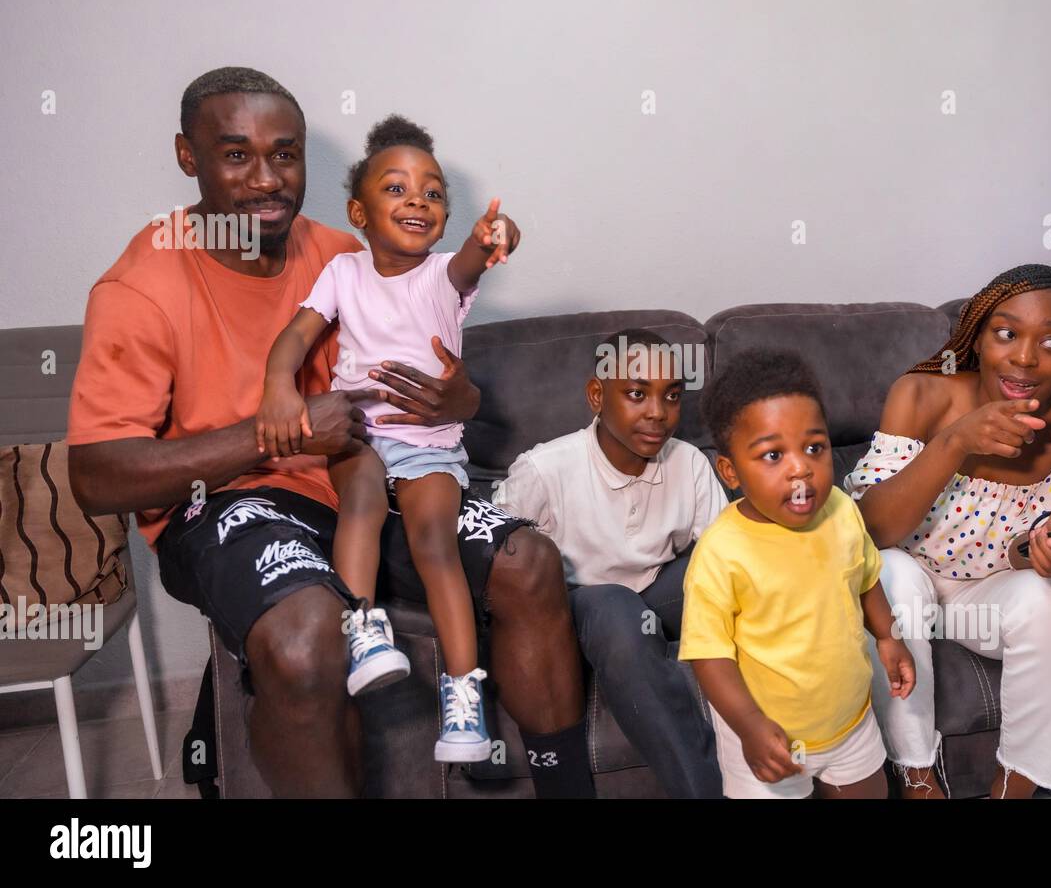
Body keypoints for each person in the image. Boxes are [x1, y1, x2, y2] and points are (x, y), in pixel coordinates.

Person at [66, 67, 594, 797]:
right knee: (304, 634)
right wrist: (273, 433)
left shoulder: (339, 253)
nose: (266, 179)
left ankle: (568, 788)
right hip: (226, 502)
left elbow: (437, 322)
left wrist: (460, 400)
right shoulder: (141, 287)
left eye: (285, 154)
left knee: (526, 562)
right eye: (235, 154)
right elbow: (96, 478)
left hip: (364, 473)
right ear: (188, 157)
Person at [257, 114, 514, 761]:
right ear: (359, 210)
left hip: (429, 443)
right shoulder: (343, 274)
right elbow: (295, 335)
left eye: (431, 192)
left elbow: (478, 254)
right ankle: (364, 628)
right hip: (358, 434)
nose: (418, 201)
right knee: (363, 501)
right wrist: (278, 385)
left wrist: (498, 234)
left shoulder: (442, 278)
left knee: (435, 544)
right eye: (396, 189)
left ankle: (463, 702)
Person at [844, 262, 1051, 799]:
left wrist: (1047, 546)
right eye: (1007, 334)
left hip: (985, 591)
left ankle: (1013, 788)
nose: (1024, 358)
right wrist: (954, 443)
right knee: (889, 572)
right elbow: (871, 533)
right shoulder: (922, 393)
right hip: (907, 574)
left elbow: (1022, 547)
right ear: (979, 335)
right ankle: (919, 777)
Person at [493, 329, 728, 797]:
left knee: (731, 560)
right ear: (597, 395)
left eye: (672, 396)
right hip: (578, 605)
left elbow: (727, 557)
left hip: (656, 596)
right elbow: (493, 564)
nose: (658, 413)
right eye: (637, 394)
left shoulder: (690, 464)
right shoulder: (544, 470)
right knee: (617, 610)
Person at [679, 348, 915, 798]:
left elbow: (865, 577)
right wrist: (749, 726)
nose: (800, 467)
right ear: (730, 471)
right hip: (767, 734)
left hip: (850, 720)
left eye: (814, 447)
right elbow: (708, 655)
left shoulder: (842, 510)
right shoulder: (722, 552)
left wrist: (887, 636)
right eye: (772, 455)